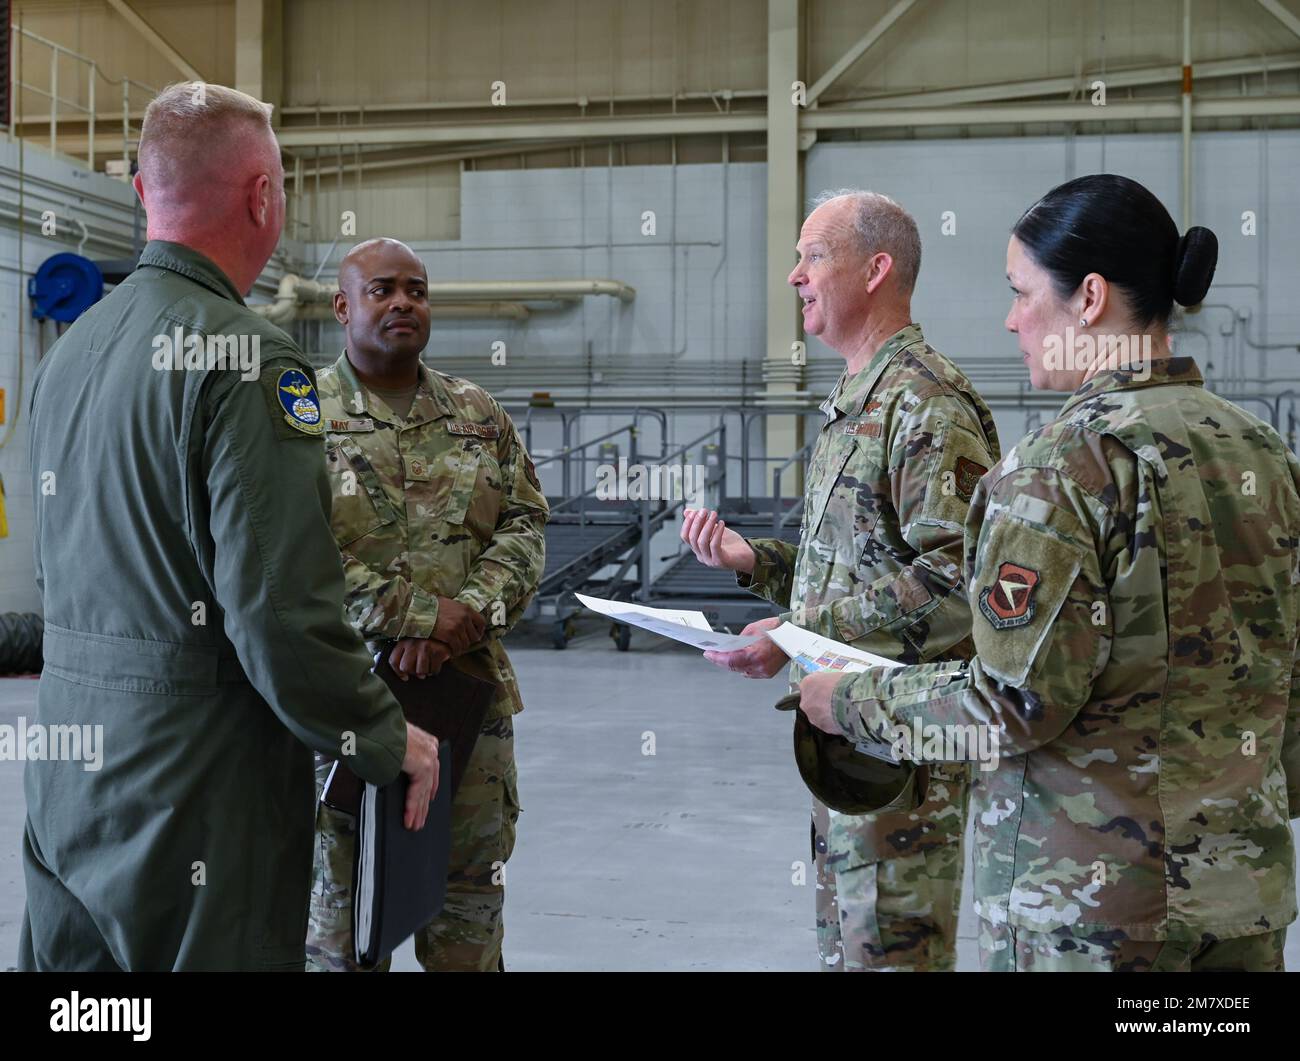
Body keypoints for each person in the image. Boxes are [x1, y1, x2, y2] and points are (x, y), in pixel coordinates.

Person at [800, 173, 1300, 972]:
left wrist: (851, 702)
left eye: (1021, 292)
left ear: (1089, 297)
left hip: (1088, 917)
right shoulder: (1265, 456)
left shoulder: (1060, 467)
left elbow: (1011, 702)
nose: (1011, 320)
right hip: (1241, 905)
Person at [19, 83, 439, 972]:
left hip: (67, 780)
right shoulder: (245, 359)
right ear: (262, 199)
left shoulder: (72, 353)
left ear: (142, 194)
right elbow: (280, 614)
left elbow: (69, 576)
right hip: (193, 791)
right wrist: (383, 736)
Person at [682, 190, 999, 971]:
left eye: (813, 256)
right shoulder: (855, 399)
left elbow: (959, 584)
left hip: (906, 755)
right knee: (851, 951)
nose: (795, 276)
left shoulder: (926, 401)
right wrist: (755, 564)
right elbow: (859, 573)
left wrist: (799, 634)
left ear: (877, 268)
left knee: (891, 955)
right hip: (848, 743)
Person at [306, 238, 549, 973]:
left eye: (416, 289)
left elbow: (526, 522)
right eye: (382, 289)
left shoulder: (479, 413)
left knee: (470, 908)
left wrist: (460, 618)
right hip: (341, 704)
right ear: (344, 306)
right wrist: (413, 616)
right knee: (339, 918)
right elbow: (285, 552)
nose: (403, 302)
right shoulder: (300, 416)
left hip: (464, 706)